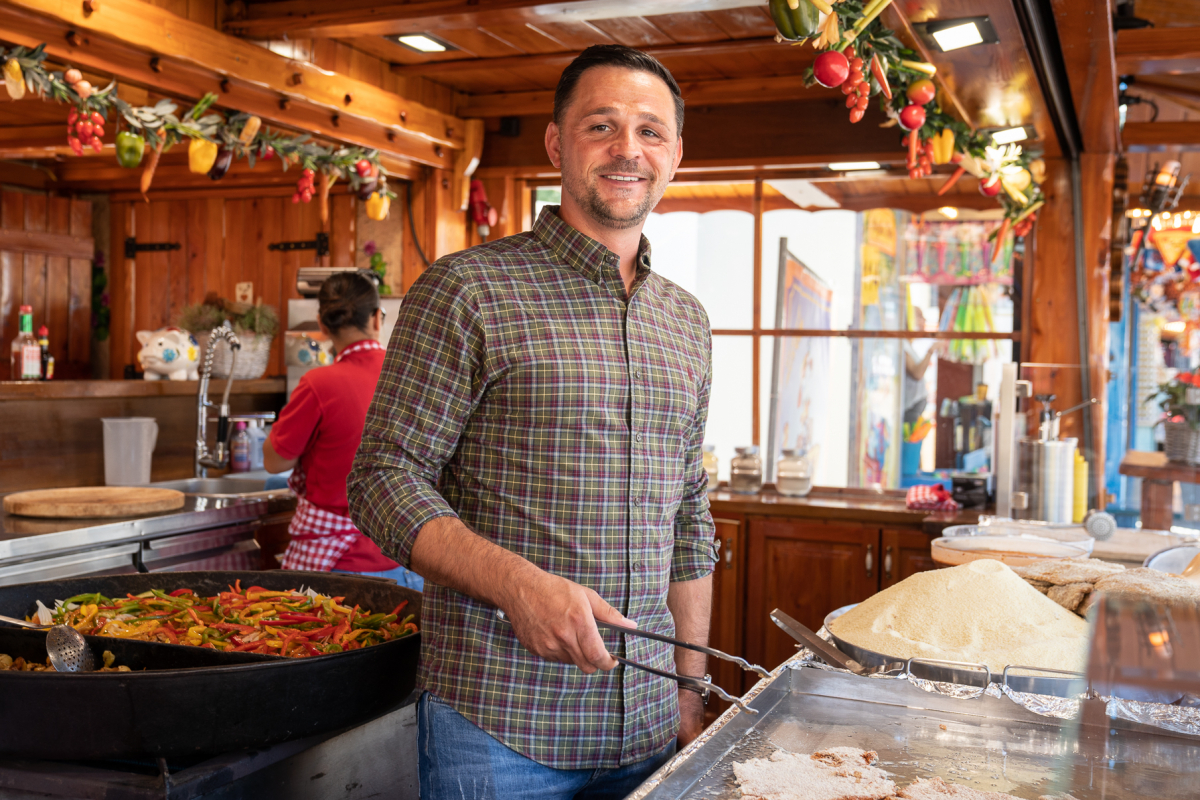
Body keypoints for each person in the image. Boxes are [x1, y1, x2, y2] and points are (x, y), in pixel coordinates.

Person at [349, 44, 715, 799]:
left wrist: (689, 688)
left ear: (675, 155)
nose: (628, 149)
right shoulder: (468, 289)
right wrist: (517, 585)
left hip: (650, 725)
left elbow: (688, 516)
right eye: (601, 126)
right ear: (556, 144)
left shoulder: (687, 321)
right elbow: (382, 479)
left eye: (650, 131)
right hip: (499, 727)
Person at [264, 271, 423, 590]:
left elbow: (274, 461)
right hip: (411, 564)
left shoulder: (318, 385)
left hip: (342, 570)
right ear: (377, 318)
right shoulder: (413, 377)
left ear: (322, 326)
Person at [902, 306, 947, 426]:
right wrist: (931, 350)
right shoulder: (902, 344)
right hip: (909, 408)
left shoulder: (908, 343)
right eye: (920, 316)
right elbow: (917, 373)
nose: (924, 320)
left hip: (913, 407)